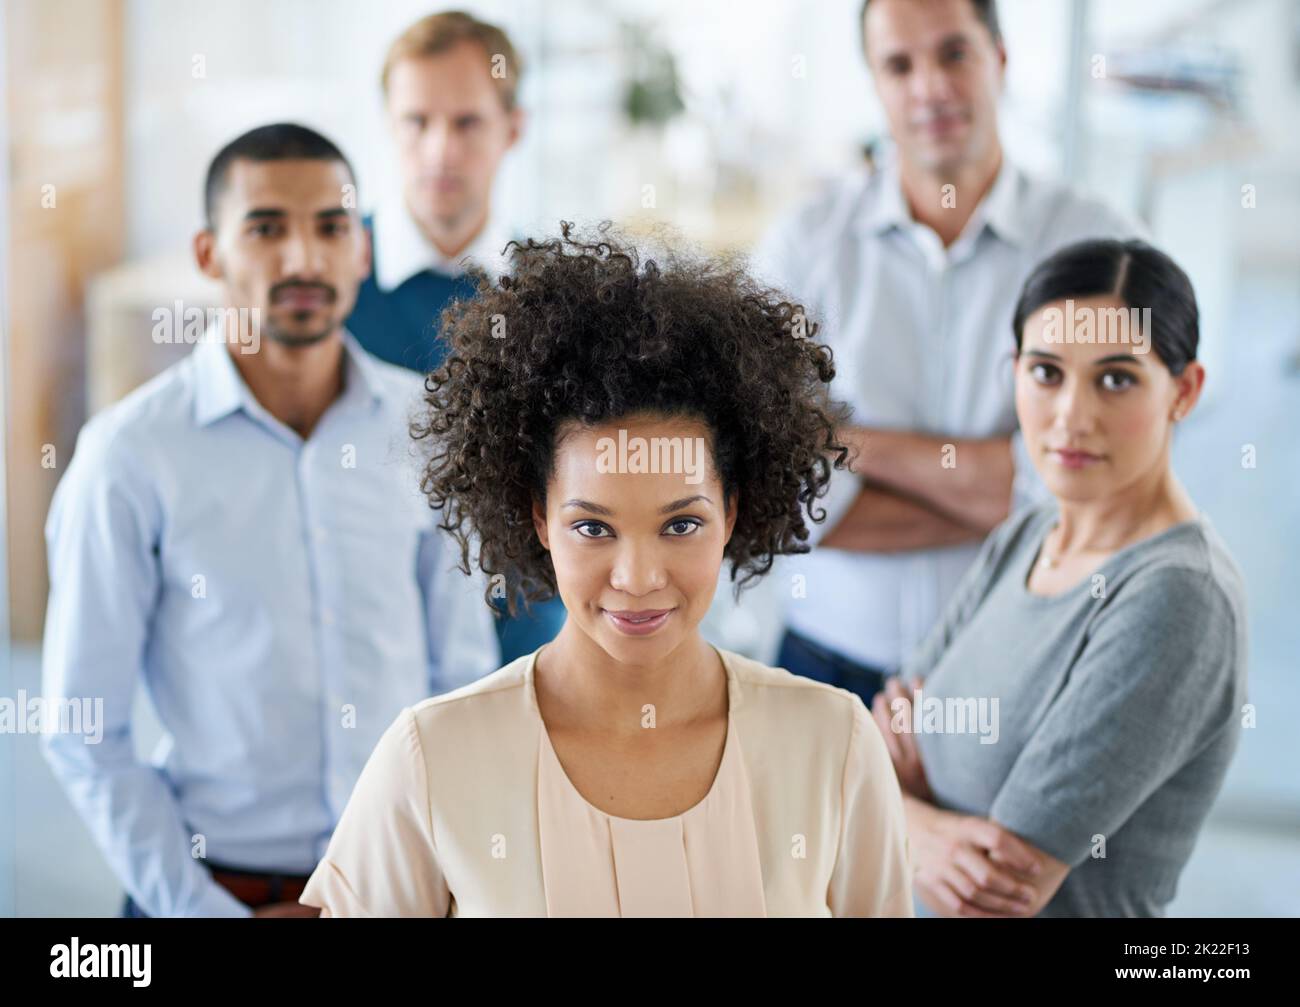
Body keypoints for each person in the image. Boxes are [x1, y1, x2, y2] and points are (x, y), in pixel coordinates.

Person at [298, 224, 914, 917]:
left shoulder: (833, 743)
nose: (638, 578)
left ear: (733, 513)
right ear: (538, 519)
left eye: (680, 525)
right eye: (593, 527)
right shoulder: (429, 758)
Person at [40, 123, 498, 918]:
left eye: (331, 228)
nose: (302, 259)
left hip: (396, 885)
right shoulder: (129, 455)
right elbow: (82, 727)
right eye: (265, 228)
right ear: (209, 253)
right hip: (210, 889)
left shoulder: (426, 429)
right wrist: (203, 910)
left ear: (362, 250)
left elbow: (460, 682)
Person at [751, 0, 1141, 704]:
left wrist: (847, 444)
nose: (930, 87)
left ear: (1001, 58)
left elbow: (1111, 476)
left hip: (1021, 672)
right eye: (900, 65)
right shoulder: (803, 245)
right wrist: (1018, 498)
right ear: (875, 82)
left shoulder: (1096, 246)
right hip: (823, 670)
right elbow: (771, 491)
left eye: (954, 53)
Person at [870, 239, 1248, 917]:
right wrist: (920, 830)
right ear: (1014, 372)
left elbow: (991, 889)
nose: (1072, 415)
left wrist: (893, 811)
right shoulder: (1027, 534)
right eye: (1046, 372)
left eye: (1115, 379)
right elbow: (882, 732)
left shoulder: (1178, 597)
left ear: (1184, 391)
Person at [349, 8, 564, 664]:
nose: (440, 149)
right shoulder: (329, 285)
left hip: (528, 648)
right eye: (417, 121)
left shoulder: (558, 296)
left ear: (513, 128)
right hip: (365, 644)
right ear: (389, 125)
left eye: (467, 122)